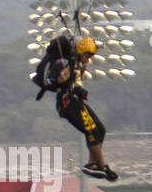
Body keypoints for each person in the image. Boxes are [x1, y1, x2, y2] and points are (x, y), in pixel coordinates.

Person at [33, 34, 118, 181]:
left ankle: (93, 164)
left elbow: (72, 82)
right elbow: (59, 80)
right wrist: (65, 77)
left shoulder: (74, 63)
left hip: (74, 101)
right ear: (81, 53)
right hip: (68, 104)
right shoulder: (65, 63)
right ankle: (102, 166)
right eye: (87, 55)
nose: (88, 59)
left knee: (100, 129)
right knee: (91, 130)